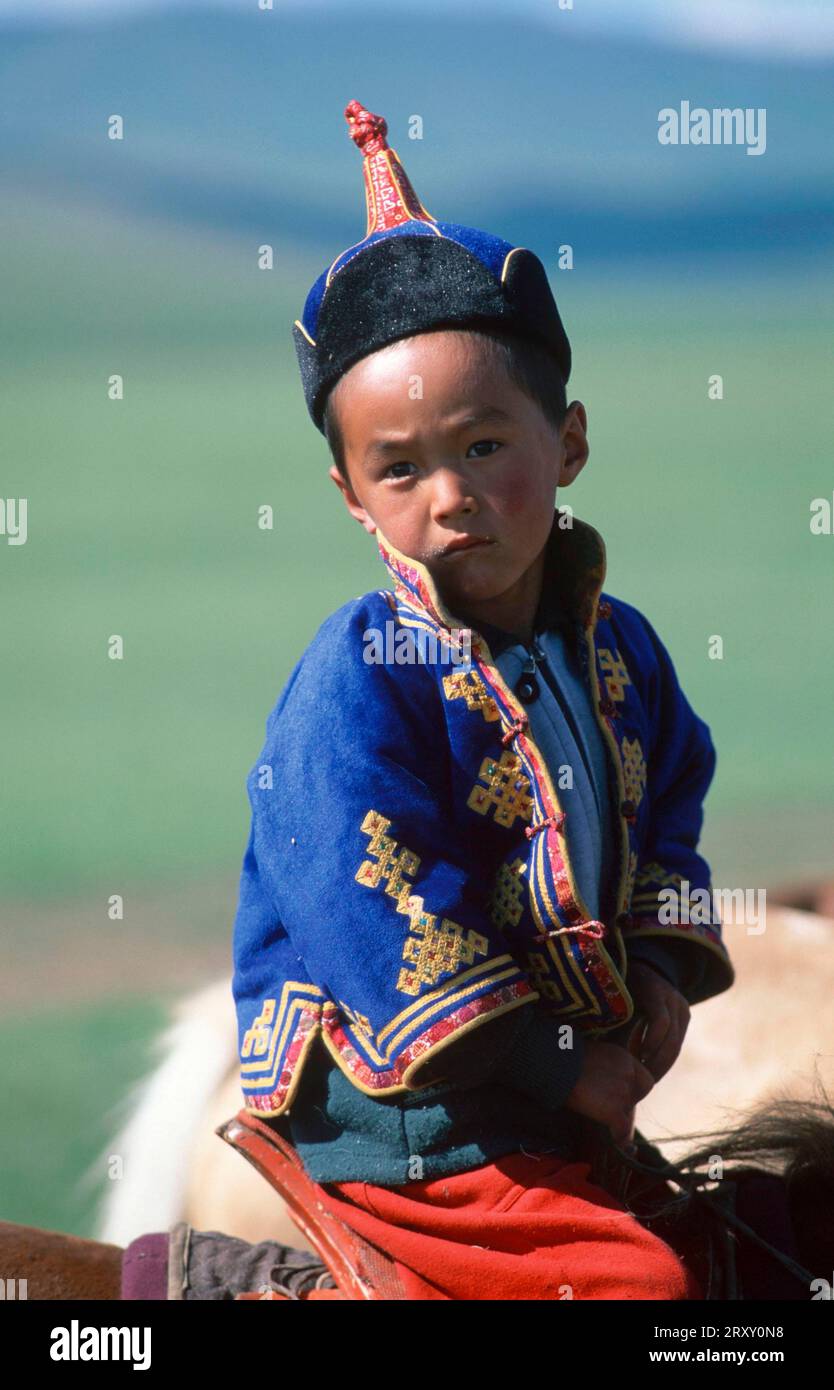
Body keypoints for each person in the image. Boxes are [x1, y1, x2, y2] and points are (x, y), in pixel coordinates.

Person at [231, 100, 735, 1300]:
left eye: (485, 446)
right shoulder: (357, 675)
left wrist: (659, 972)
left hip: (556, 1087)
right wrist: (560, 1064)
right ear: (354, 497)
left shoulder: (624, 651)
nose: (448, 495)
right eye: (399, 467)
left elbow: (672, 802)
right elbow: (381, 901)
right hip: (417, 1119)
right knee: (642, 1294)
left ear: (565, 443)